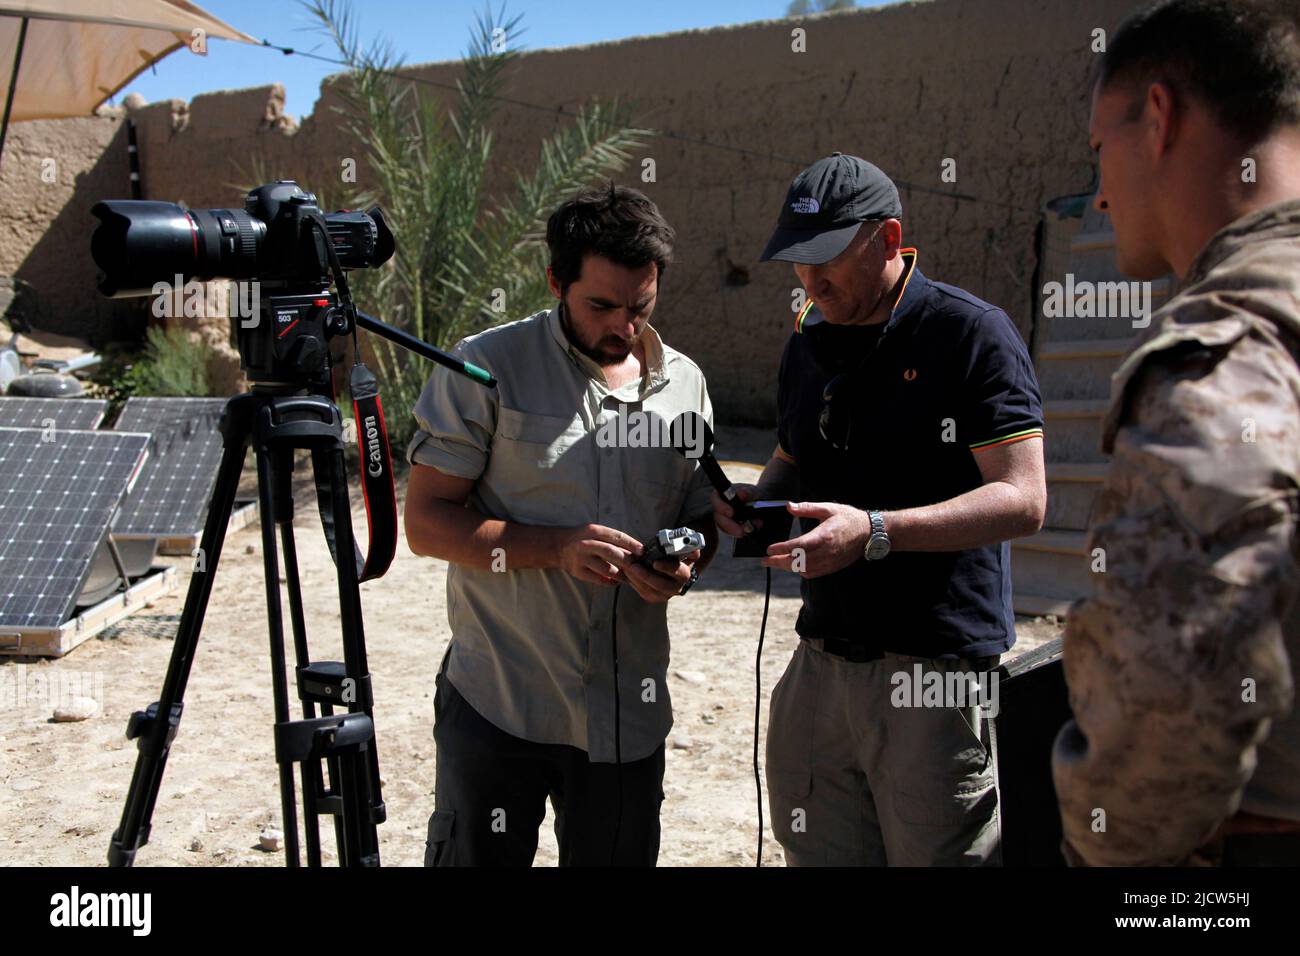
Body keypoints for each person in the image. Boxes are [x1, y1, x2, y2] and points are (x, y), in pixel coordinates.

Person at [715, 152, 1046, 865]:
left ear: (889, 238)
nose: (810, 280)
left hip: (934, 673)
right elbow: (794, 459)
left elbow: (1023, 498)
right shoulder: (808, 339)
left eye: (827, 258)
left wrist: (875, 533)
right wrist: (756, 500)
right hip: (821, 662)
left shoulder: (970, 333)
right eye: (797, 262)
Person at [1051, 0, 1300, 867]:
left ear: (1158, 118)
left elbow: (1183, 663)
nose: (1102, 193)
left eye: (1098, 153)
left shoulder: (1231, 339)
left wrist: (1112, 842)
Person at [404, 184, 718, 866]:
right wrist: (553, 549)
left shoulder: (686, 385)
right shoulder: (485, 370)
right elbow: (427, 524)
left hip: (624, 719)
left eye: (641, 305)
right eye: (600, 306)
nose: (623, 326)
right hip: (499, 703)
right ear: (555, 281)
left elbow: (698, 515)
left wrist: (691, 556)